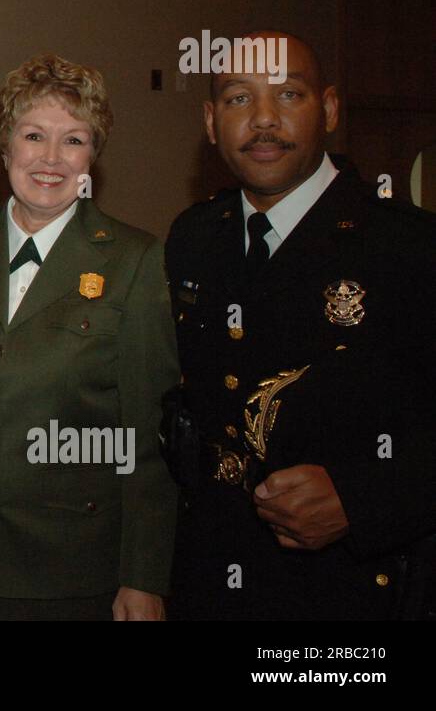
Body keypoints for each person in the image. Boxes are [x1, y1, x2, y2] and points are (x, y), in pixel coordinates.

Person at [165, 31, 436, 620]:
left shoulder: (409, 247)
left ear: (330, 109)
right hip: (208, 584)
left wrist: (362, 501)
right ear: (211, 122)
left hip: (346, 600)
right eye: (239, 98)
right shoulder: (193, 237)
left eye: (288, 94)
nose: (264, 119)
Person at [0, 54, 178, 620]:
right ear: (5, 147)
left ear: (92, 157)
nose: (51, 158)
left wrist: (143, 574)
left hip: (71, 563)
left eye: (73, 140)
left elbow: (146, 432)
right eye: (33, 135)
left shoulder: (132, 258)